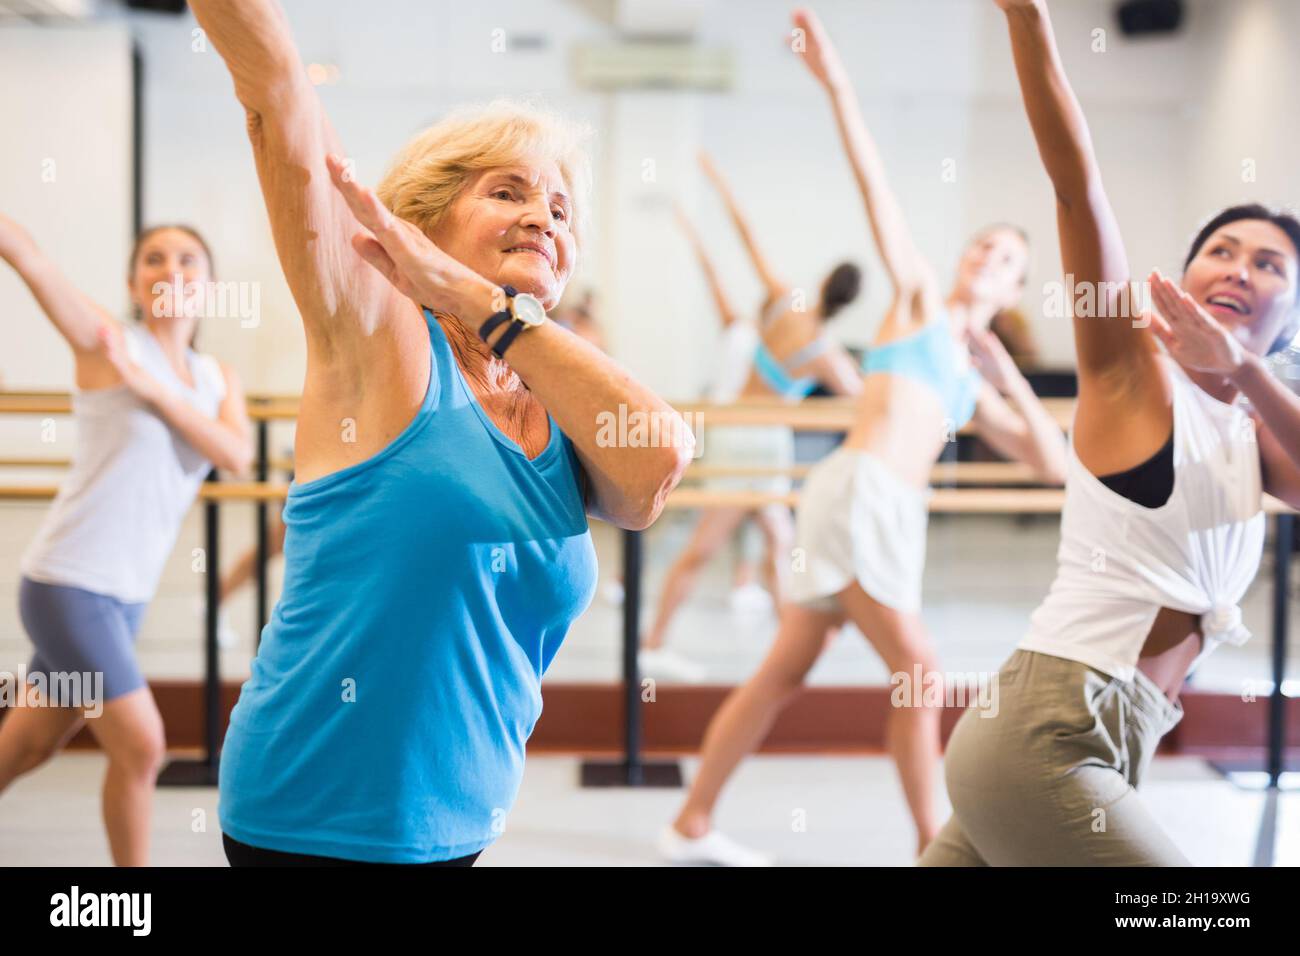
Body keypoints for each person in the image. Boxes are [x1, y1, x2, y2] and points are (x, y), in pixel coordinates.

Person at [191, 0, 689, 866]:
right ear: (422, 225)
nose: (544, 217)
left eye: (560, 208)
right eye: (507, 192)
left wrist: (484, 304)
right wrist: (457, 298)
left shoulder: (550, 392)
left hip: (461, 825)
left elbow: (659, 468)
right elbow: (277, 94)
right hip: (311, 820)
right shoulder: (380, 339)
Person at [660, 7, 1069, 865]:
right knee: (920, 674)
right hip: (859, 496)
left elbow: (1052, 464)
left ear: (1015, 290)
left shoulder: (969, 381)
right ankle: (932, 845)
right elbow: (876, 190)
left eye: (1005, 259)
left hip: (886, 515)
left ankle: (692, 820)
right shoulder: (918, 302)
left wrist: (1007, 377)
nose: (985, 256)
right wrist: (837, 84)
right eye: (982, 245)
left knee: (782, 673)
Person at [917, 0, 1300, 866]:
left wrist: (1246, 372)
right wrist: (1027, 16)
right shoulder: (1132, 372)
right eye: (1221, 250)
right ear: (1186, 276)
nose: (1239, 268)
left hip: (1101, 740)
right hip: (1049, 737)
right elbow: (1076, 183)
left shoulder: (1253, 429)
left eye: (1268, 262)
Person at [0, 215, 253, 866]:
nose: (172, 270)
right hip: (67, 586)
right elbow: (30, 258)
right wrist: (135, 376)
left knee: (27, 746)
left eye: (189, 260)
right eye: (154, 259)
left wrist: (150, 389)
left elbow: (235, 455)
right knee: (142, 745)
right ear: (133, 282)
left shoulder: (217, 377)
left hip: (126, 598)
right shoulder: (109, 344)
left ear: (210, 285)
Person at [639, 153, 866, 682]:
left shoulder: (785, 303)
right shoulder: (826, 352)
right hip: (760, 444)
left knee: (779, 543)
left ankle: (791, 653)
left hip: (739, 433)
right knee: (706, 547)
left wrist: (719, 181)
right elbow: (863, 398)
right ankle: (653, 644)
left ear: (824, 281)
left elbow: (749, 239)